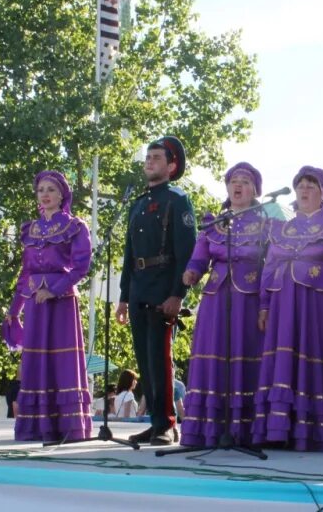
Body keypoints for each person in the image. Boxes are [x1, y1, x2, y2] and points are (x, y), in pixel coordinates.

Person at [254, 167, 323, 451]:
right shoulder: (280, 228)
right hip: (282, 307)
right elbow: (269, 267)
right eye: (300, 185)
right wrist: (263, 304)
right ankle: (278, 430)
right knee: (283, 364)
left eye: (311, 185)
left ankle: (313, 433)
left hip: (317, 307)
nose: (304, 189)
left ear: (322, 192)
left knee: (312, 363)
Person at [180, 162, 267, 447]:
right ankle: (208, 429)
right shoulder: (213, 223)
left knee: (243, 354)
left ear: (255, 190)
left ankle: (243, 430)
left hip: (249, 298)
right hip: (216, 297)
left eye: (244, 181)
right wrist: (192, 271)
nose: (238, 186)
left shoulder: (266, 224)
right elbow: (198, 257)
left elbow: (274, 263)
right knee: (212, 355)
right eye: (233, 181)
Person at [116, 136, 196, 446]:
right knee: (144, 360)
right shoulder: (137, 203)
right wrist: (123, 296)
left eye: (157, 157)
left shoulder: (178, 200)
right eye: (148, 157)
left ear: (172, 165)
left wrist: (178, 293)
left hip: (163, 288)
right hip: (138, 289)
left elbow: (187, 252)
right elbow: (128, 254)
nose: (149, 161)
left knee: (160, 358)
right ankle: (155, 422)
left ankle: (167, 424)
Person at [7, 170, 93, 441]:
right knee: (36, 361)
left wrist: (54, 290)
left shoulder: (75, 226)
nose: (45, 194)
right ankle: (37, 425)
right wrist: (14, 310)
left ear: (62, 195)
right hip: (35, 304)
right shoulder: (29, 230)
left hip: (61, 304)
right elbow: (24, 274)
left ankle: (64, 427)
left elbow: (81, 266)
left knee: (60, 362)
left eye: (51, 189)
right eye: (41, 189)